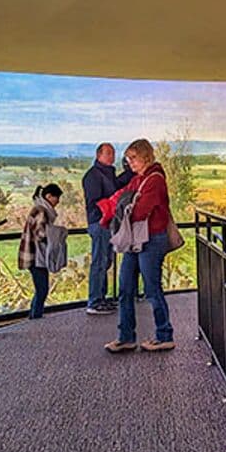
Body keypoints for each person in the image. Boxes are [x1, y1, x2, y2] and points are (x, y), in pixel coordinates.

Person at [99, 139, 175, 352]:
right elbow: (126, 202)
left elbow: (139, 211)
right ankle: (126, 337)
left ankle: (164, 335)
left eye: (133, 158)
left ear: (146, 156)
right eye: (128, 158)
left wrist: (120, 208)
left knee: (151, 288)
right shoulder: (140, 179)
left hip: (151, 240)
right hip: (137, 239)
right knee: (125, 287)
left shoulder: (154, 179)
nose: (129, 162)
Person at [82, 143, 134, 314]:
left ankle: (100, 299)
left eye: (113, 153)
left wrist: (129, 174)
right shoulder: (93, 176)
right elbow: (97, 200)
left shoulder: (105, 174)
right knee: (100, 261)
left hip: (106, 222)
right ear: (99, 155)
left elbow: (116, 186)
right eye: (108, 153)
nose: (112, 156)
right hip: (99, 223)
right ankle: (95, 301)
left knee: (106, 261)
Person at [17, 183, 64, 319]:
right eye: (56, 198)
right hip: (36, 256)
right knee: (42, 289)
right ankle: (35, 318)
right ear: (48, 196)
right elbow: (40, 234)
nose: (58, 202)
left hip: (34, 256)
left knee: (40, 288)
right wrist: (58, 233)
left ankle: (34, 316)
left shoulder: (39, 209)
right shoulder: (41, 211)